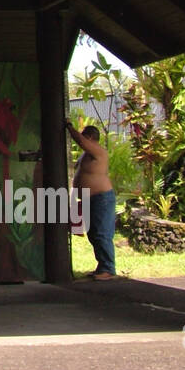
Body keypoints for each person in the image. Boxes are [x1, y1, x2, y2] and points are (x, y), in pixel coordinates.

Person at [66, 120, 116, 280]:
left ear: (91, 138)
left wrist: (69, 127)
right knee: (93, 234)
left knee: (102, 233)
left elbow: (80, 141)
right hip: (89, 198)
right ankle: (102, 266)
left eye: (85, 136)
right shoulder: (85, 155)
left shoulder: (98, 151)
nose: (82, 139)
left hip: (102, 198)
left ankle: (108, 268)